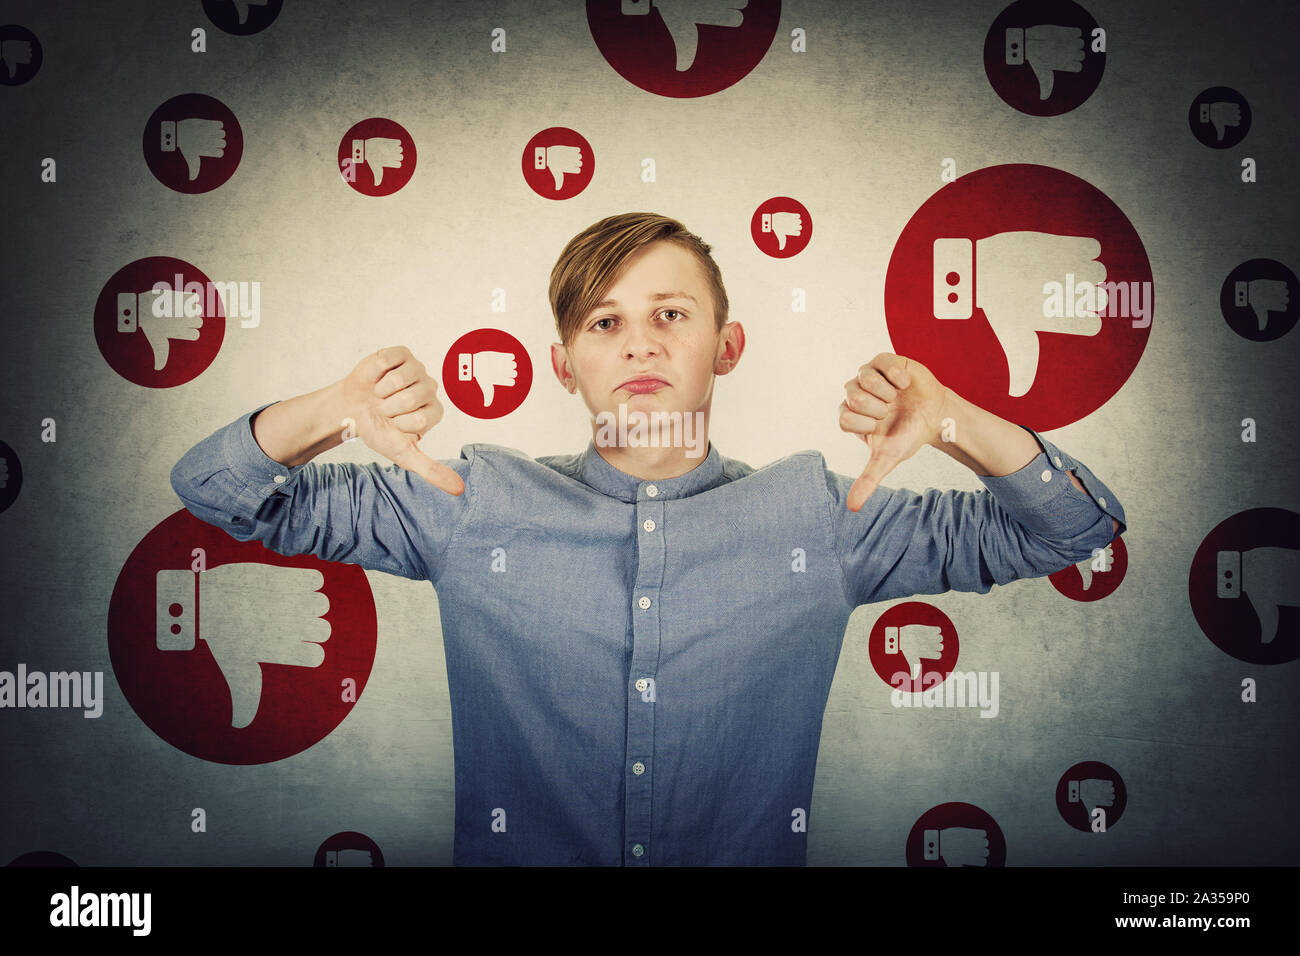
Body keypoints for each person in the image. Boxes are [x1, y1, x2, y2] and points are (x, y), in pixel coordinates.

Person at [170, 211, 1127, 865]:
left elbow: (1076, 530)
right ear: (563, 363)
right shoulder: (467, 502)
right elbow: (216, 491)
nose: (640, 343)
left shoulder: (823, 521)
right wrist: (336, 410)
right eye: (605, 322)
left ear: (728, 345)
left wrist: (953, 419)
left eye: (672, 314)